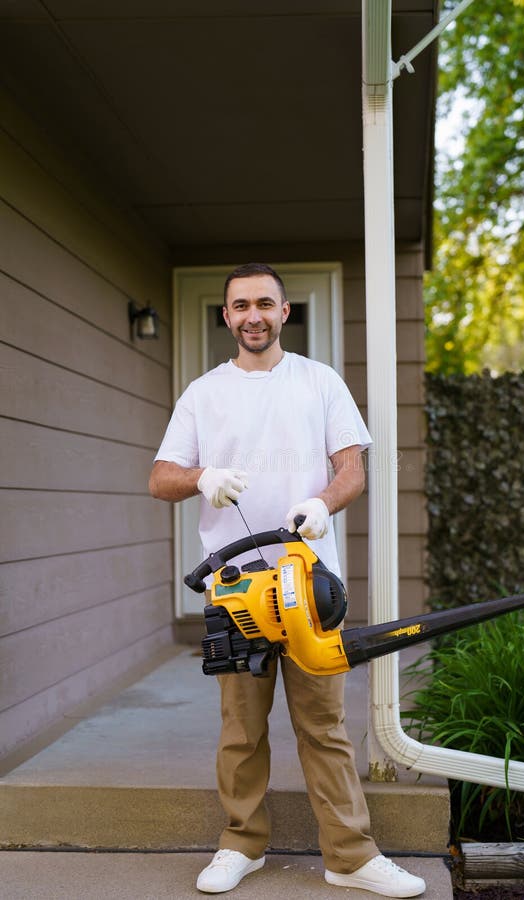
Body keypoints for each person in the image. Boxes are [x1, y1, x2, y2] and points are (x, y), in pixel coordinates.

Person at [149, 263, 426, 898]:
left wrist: (325, 503)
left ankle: (350, 857)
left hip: (310, 587)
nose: (253, 315)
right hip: (236, 591)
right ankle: (240, 845)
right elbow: (160, 476)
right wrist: (201, 477)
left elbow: (352, 467)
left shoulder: (320, 382)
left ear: (284, 312)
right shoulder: (202, 393)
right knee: (241, 730)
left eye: (265, 304)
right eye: (241, 305)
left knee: (323, 726)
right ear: (226, 316)